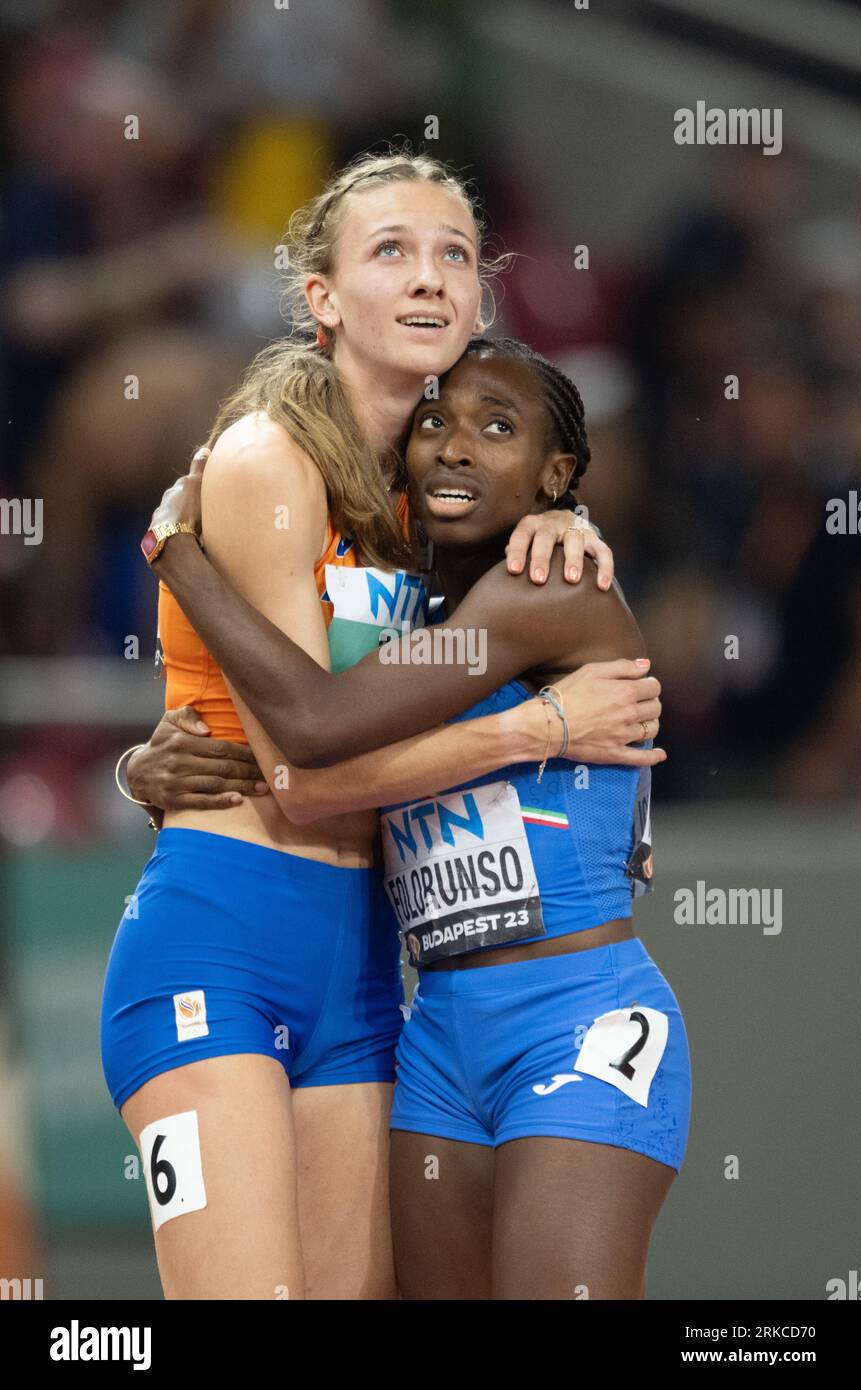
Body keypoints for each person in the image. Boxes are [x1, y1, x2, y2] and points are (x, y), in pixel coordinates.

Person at [101, 150, 662, 1301]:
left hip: (365, 973)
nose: (427, 277)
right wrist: (544, 727)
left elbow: (517, 578)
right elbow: (303, 766)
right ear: (322, 297)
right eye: (389, 251)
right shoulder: (268, 455)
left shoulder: (437, 499)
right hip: (218, 944)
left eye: (453, 254)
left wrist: (569, 521)